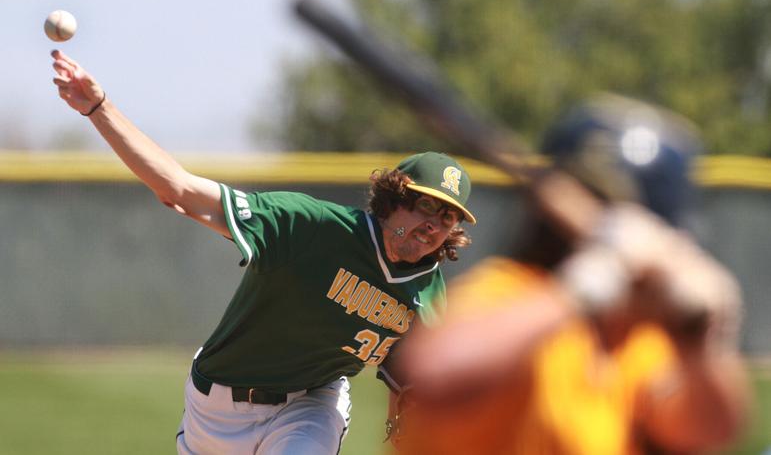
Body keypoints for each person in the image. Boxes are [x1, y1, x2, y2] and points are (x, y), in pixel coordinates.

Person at [49, 49, 477, 454]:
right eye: (426, 206)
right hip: (214, 406)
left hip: (311, 406)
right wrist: (99, 108)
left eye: (448, 217)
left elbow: (412, 382)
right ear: (393, 198)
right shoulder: (310, 227)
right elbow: (178, 189)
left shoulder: (427, 295)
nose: (434, 225)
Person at [391, 94, 750, 455]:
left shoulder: (643, 342)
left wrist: (698, 337)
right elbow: (433, 372)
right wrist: (582, 289)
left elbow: (711, 430)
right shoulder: (511, 292)